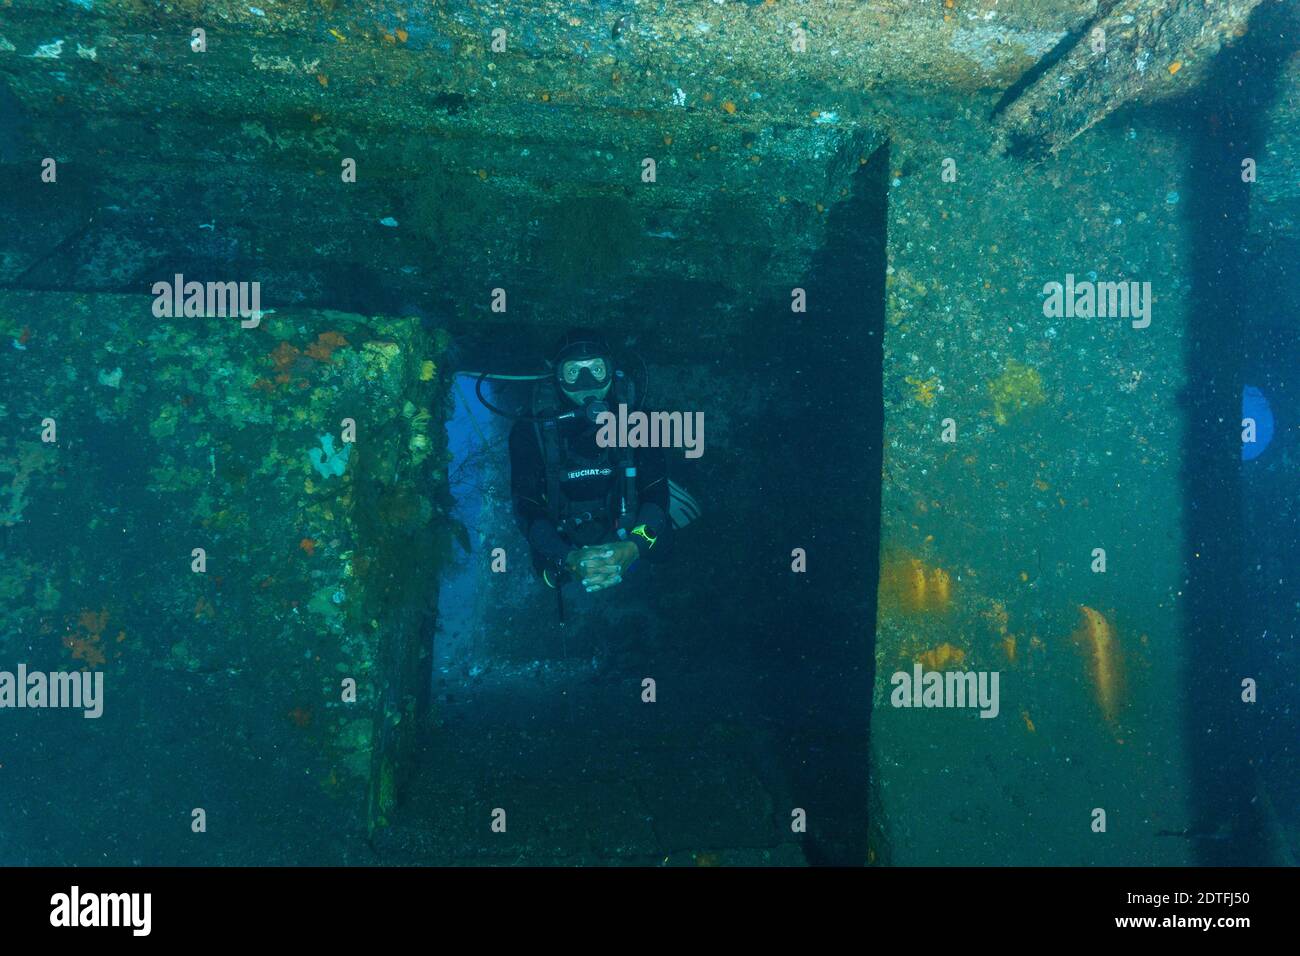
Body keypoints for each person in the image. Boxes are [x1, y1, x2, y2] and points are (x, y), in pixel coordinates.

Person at [509, 330, 670, 594]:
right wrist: (570, 558)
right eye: (573, 372)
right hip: (565, 531)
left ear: (611, 371)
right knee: (550, 575)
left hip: (625, 520)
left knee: (661, 548)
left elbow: (656, 494)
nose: (587, 382)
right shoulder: (529, 430)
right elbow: (525, 506)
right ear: (557, 377)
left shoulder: (640, 421)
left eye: (596, 369)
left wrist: (633, 547)